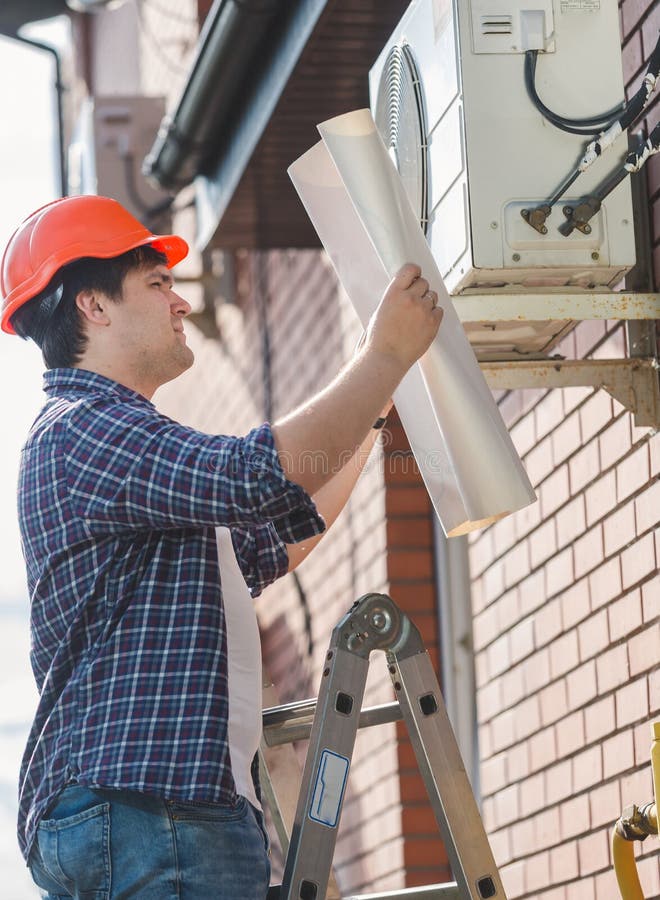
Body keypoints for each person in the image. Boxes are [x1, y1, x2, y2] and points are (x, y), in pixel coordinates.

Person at [1, 194, 442, 899]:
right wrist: (382, 354)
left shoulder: (124, 449)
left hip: (150, 810)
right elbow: (258, 475)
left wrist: (376, 401)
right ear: (94, 305)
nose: (180, 302)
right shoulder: (82, 429)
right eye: (157, 283)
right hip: (153, 810)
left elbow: (273, 542)